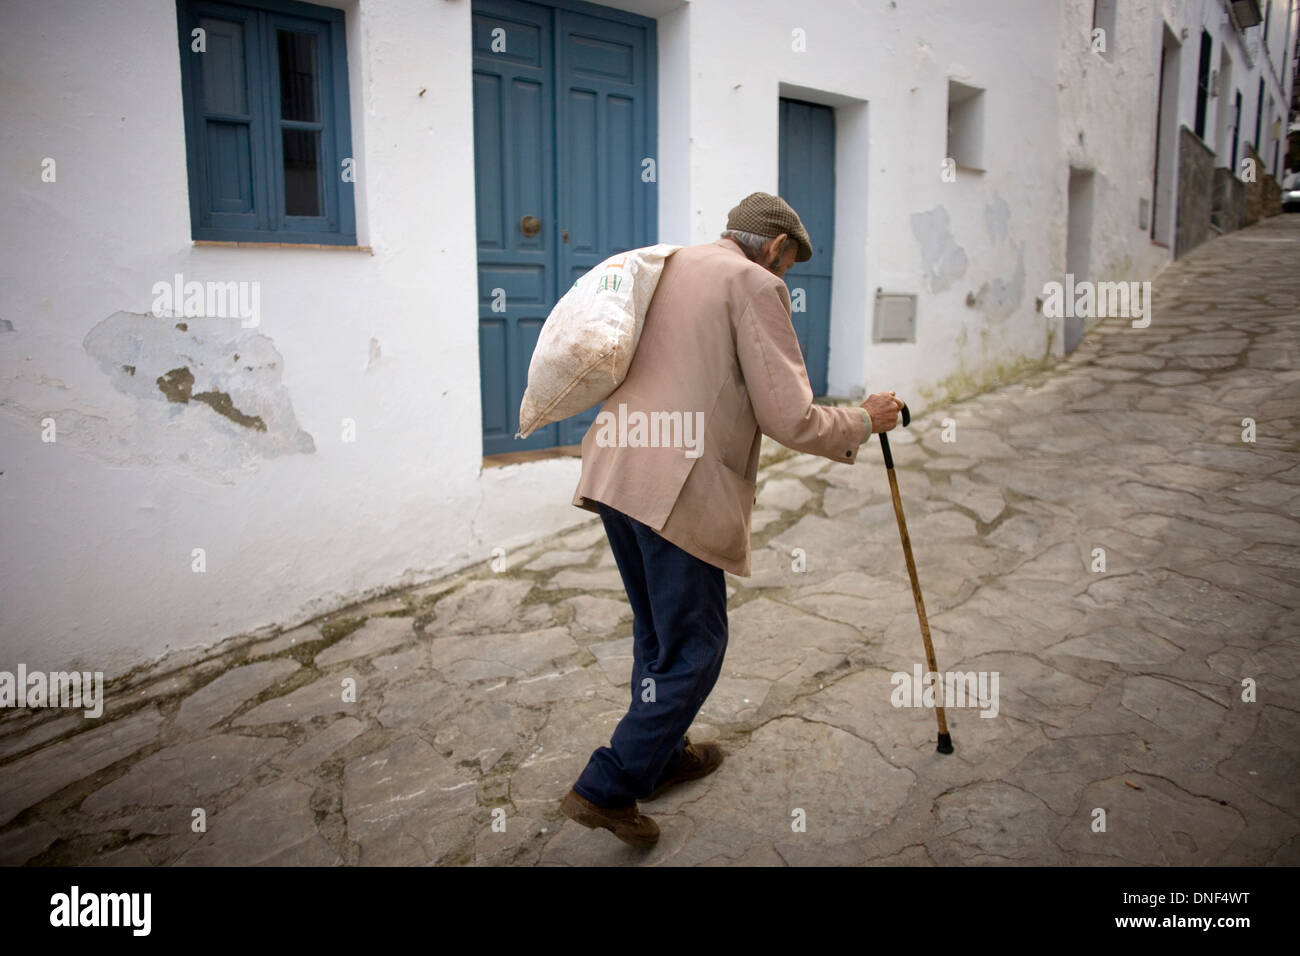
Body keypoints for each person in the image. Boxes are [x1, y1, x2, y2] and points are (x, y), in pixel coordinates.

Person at [560, 191, 904, 847]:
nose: (784, 281)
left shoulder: (674, 263)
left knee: (661, 633)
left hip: (617, 463)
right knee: (695, 646)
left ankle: (659, 756)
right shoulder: (754, 284)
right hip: (675, 482)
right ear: (774, 249)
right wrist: (864, 419)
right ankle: (609, 784)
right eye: (788, 268)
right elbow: (791, 416)